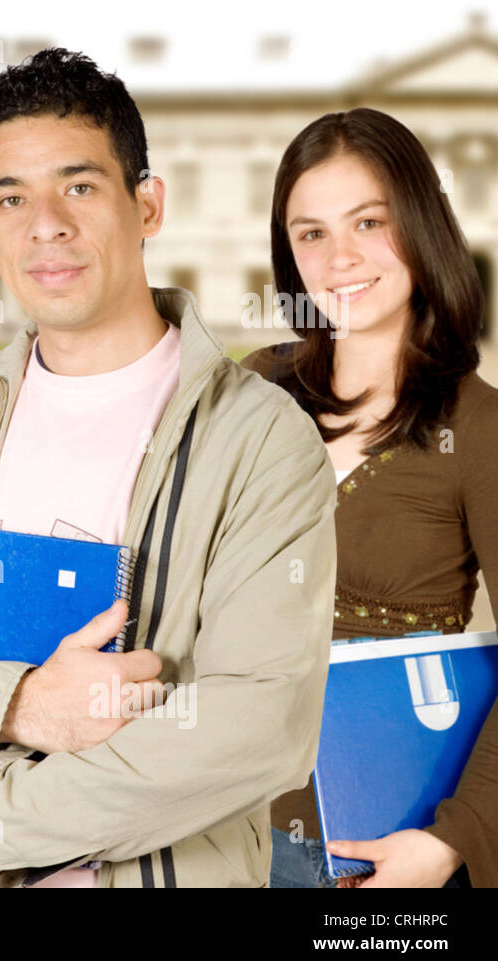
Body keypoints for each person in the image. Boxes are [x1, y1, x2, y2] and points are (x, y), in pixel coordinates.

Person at [0, 48, 337, 888]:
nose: (46, 224)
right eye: (11, 197)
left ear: (148, 205)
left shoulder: (262, 438)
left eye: (80, 187)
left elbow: (258, 727)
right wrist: (21, 703)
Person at [241, 107, 498, 888]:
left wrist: (453, 839)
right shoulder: (257, 386)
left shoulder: (478, 427)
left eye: (368, 222)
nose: (339, 258)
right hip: (226, 820)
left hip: (381, 838)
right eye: (311, 233)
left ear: (421, 224)